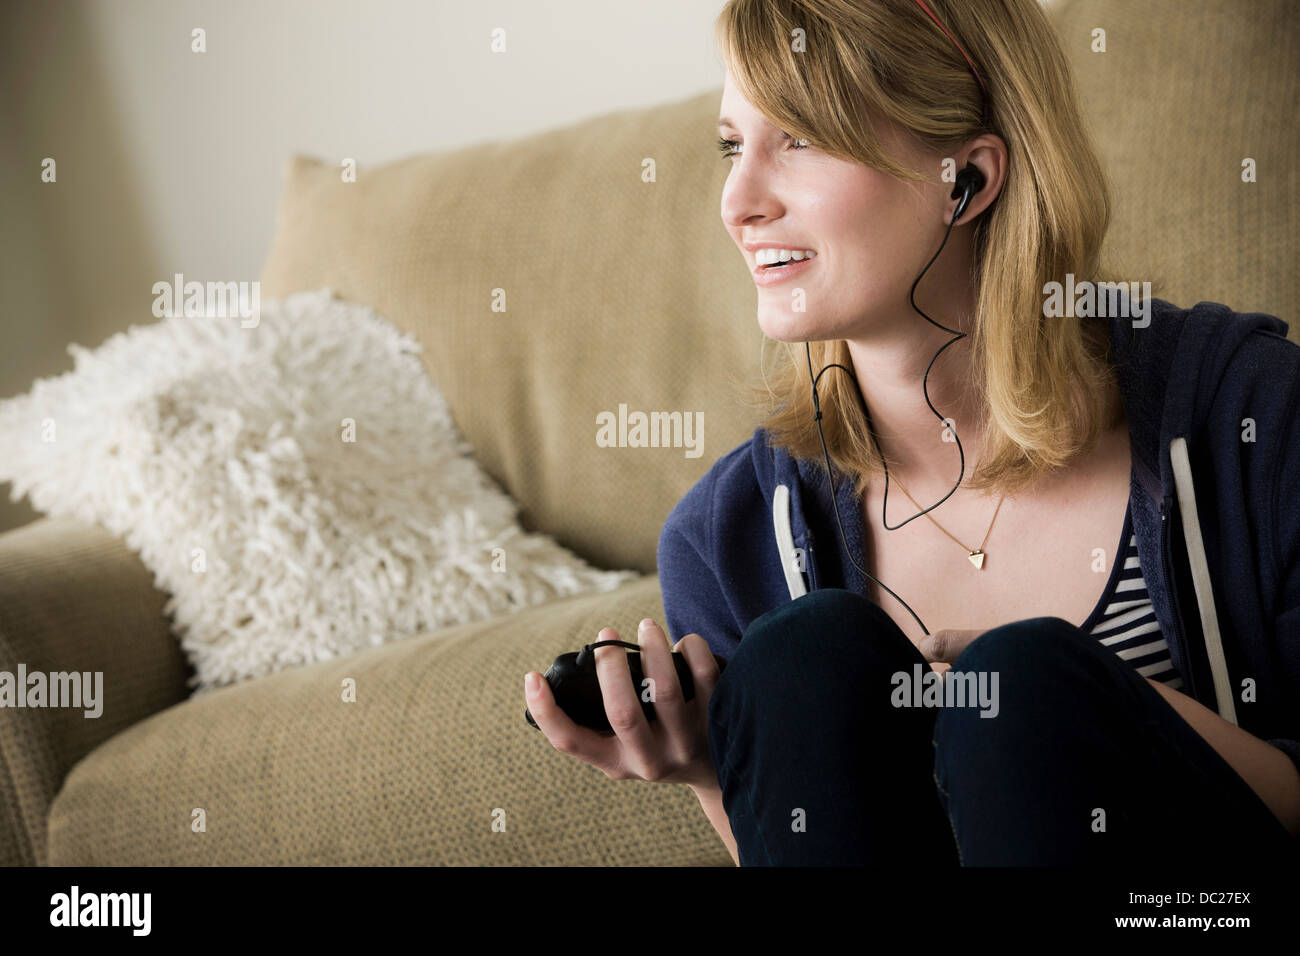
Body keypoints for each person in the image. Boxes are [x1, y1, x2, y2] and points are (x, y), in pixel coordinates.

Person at [524, 0, 1300, 866]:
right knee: (802, 662)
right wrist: (715, 766)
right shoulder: (727, 538)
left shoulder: (1253, 414)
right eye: (732, 147)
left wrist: (1101, 704)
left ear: (966, 178)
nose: (738, 203)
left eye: (803, 139)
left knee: (1023, 687)